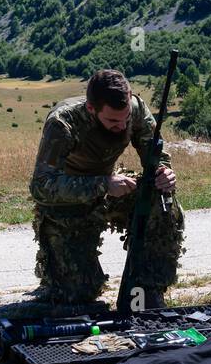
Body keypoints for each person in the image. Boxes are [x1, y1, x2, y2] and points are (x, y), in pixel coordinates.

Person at [29, 69, 184, 308]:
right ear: (92, 109)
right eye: (113, 121)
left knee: (158, 196)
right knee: (78, 294)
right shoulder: (63, 122)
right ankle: (60, 278)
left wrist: (163, 172)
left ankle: (146, 290)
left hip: (110, 188)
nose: (122, 126)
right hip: (67, 206)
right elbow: (41, 186)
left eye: (125, 119)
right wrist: (103, 184)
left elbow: (155, 153)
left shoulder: (134, 109)